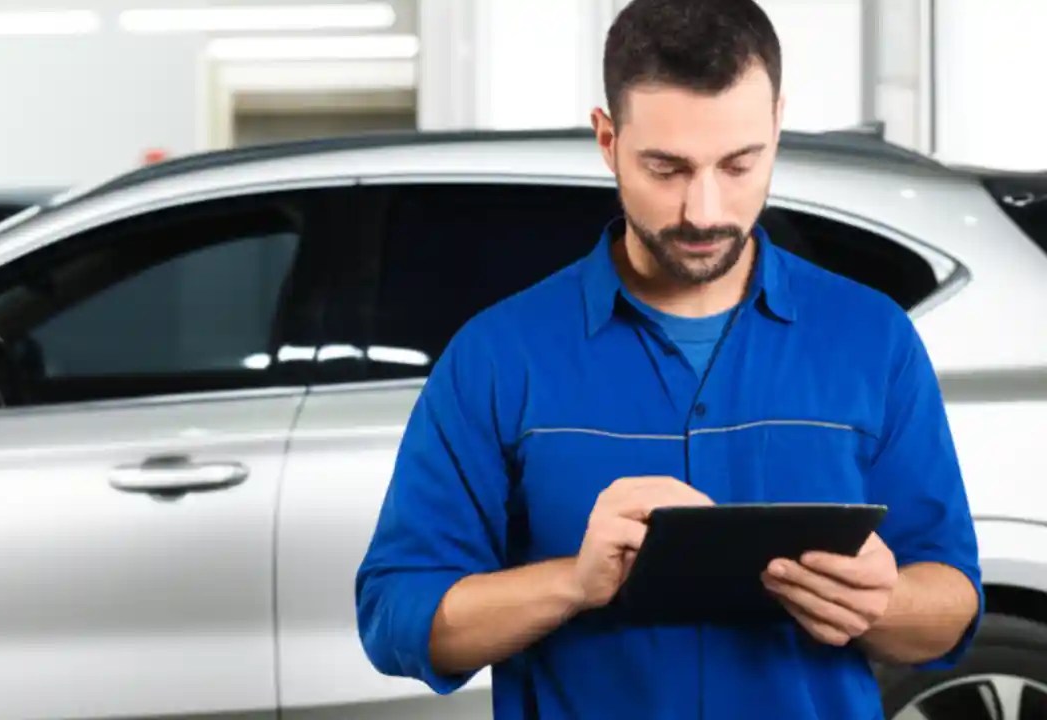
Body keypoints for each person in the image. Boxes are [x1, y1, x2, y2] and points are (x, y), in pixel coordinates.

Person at [354, 0, 984, 718]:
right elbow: (395, 616)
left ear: (777, 125)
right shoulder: (498, 358)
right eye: (667, 168)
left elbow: (953, 602)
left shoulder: (875, 341)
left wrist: (885, 602)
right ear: (607, 139)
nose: (704, 210)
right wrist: (573, 583)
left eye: (740, 163)